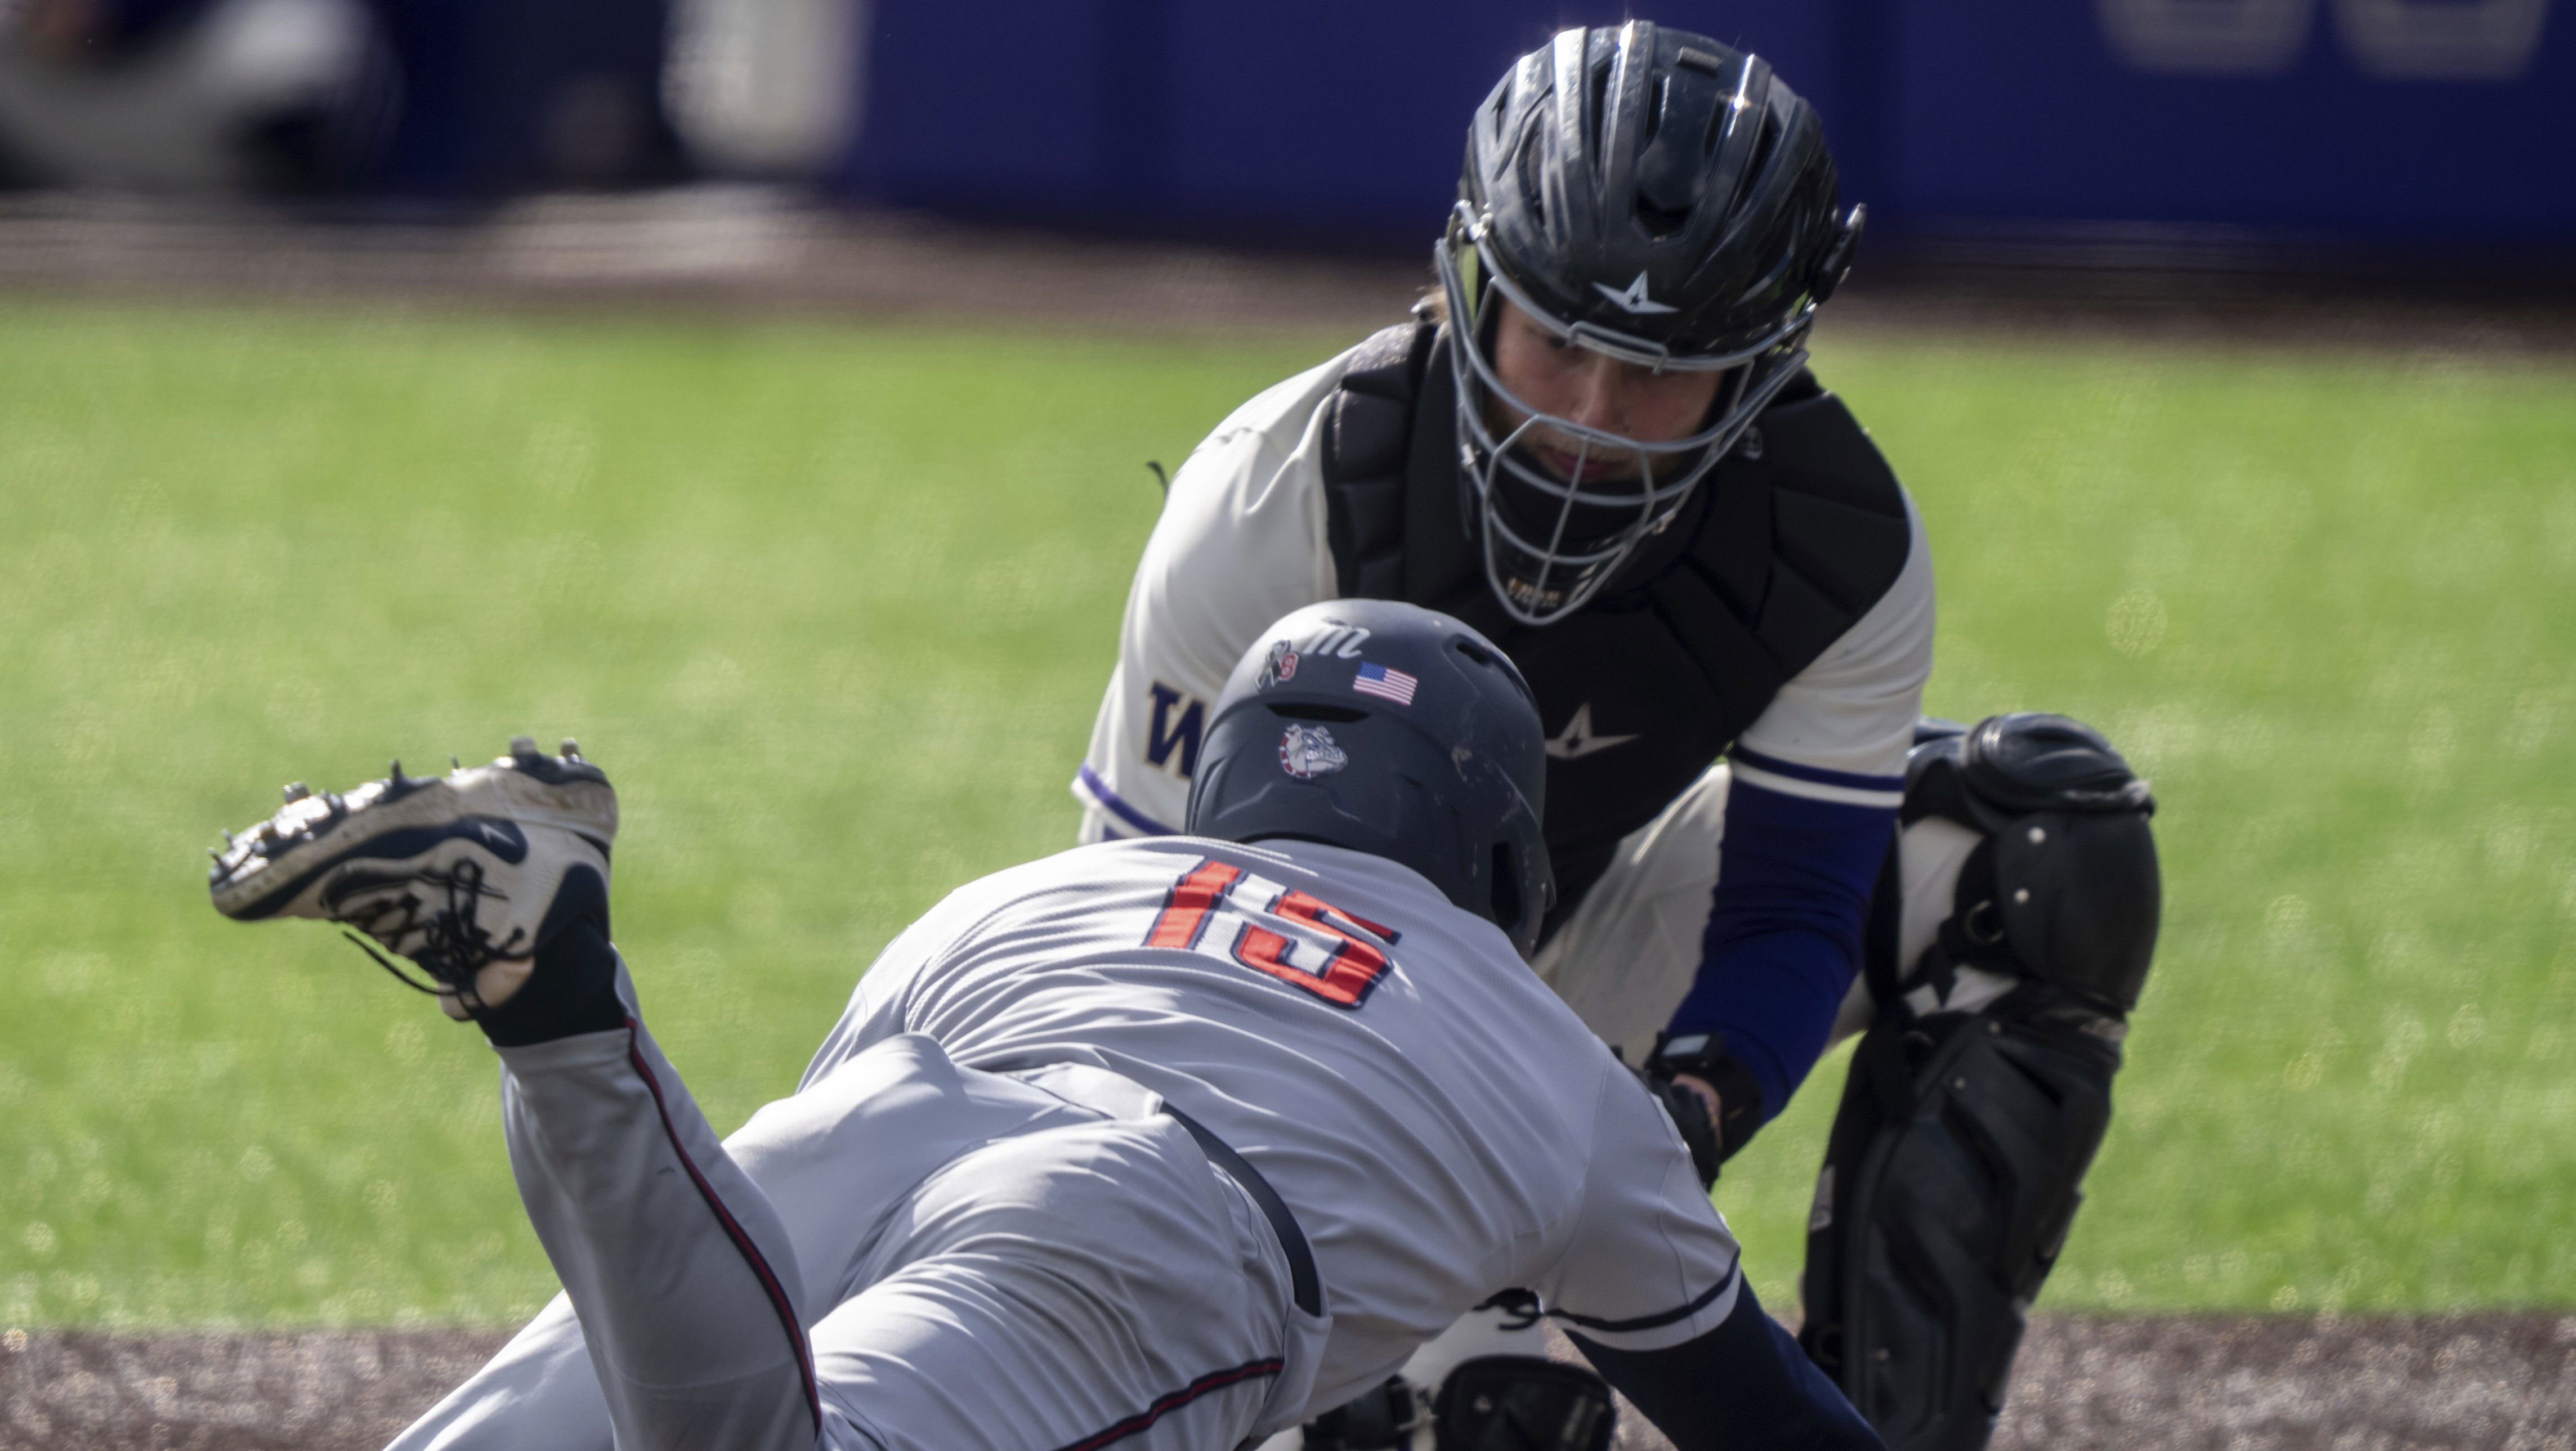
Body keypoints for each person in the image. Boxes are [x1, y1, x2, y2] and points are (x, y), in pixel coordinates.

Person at [1072, 24, 2163, 1451]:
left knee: (2024, 854)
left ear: (1761, 362)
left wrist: (1665, 1130)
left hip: (1577, 977)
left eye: (1661, 369)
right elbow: (1146, 965)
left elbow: (1792, 905)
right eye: (1563, 339)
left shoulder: (1835, 550)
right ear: (1475, 283)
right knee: (1481, 1420)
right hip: (1285, 1041)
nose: (1590, 418)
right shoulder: (1273, 496)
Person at [207, 599, 1886, 1451]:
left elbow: (749, 1294)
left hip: (888, 1115)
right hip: (1151, 1220)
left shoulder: (1013, 895)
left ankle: (551, 1000)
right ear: (1499, 842)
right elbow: (1763, 1418)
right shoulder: (1544, 1056)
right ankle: (564, 1010)